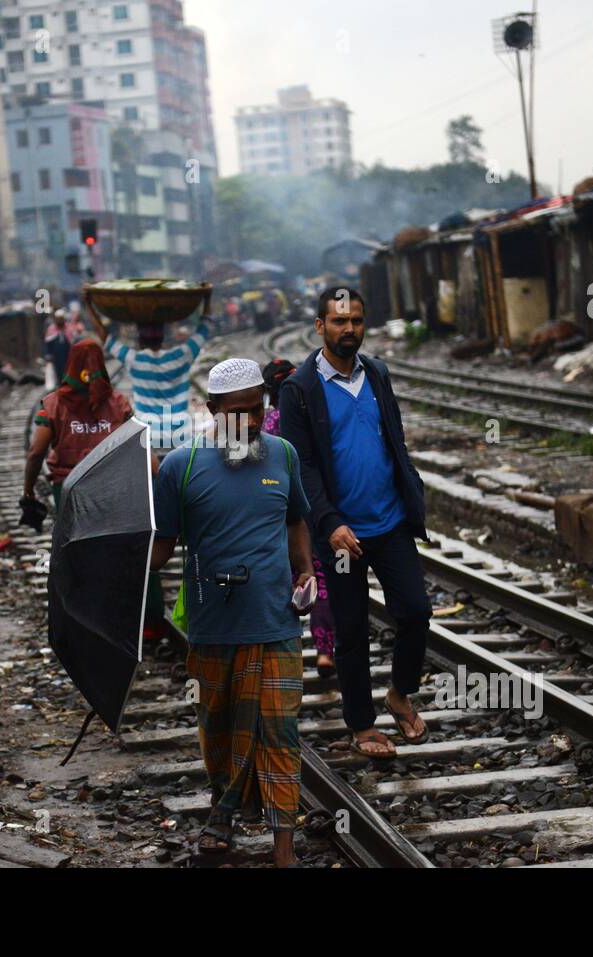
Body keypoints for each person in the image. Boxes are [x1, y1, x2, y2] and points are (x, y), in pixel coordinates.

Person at [150, 358, 313, 868]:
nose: (249, 422)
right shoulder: (182, 466)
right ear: (213, 409)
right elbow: (161, 548)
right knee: (218, 730)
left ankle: (282, 846)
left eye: (257, 409)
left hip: (276, 624)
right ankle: (223, 810)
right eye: (237, 413)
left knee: (281, 735)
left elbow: (295, 520)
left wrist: (305, 573)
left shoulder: (283, 455)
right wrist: (120, 567)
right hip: (213, 627)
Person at [278, 287, 432, 762]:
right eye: (340, 321)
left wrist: (412, 495)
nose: (350, 330)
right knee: (351, 630)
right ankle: (362, 725)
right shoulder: (299, 388)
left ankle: (400, 693)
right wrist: (328, 523)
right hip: (341, 534)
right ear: (320, 326)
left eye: (357, 322)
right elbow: (300, 465)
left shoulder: (378, 374)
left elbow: (395, 441)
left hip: (390, 523)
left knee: (416, 611)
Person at [262, 358, 336, 679]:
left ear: (267, 393)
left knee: (281, 582)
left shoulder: (264, 426)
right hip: (312, 512)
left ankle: (282, 653)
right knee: (318, 579)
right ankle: (324, 652)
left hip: (279, 516)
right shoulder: (310, 418)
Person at [22, 341, 134, 523]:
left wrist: (28, 491)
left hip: (69, 487)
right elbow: (138, 448)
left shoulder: (52, 404)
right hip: (112, 488)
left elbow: (36, 453)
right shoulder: (120, 403)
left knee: (74, 544)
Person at [89, 293, 211, 451]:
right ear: (162, 339)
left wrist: (89, 304)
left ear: (140, 340)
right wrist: (207, 298)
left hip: (148, 437)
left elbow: (104, 337)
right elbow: (204, 328)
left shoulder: (134, 360)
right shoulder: (183, 356)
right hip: (180, 435)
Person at [43, 309, 73, 385]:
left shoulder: (68, 327)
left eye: (61, 319)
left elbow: (72, 341)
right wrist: (48, 354)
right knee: (58, 373)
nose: (59, 321)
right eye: (58, 319)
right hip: (56, 357)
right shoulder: (51, 329)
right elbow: (48, 343)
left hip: (67, 355)